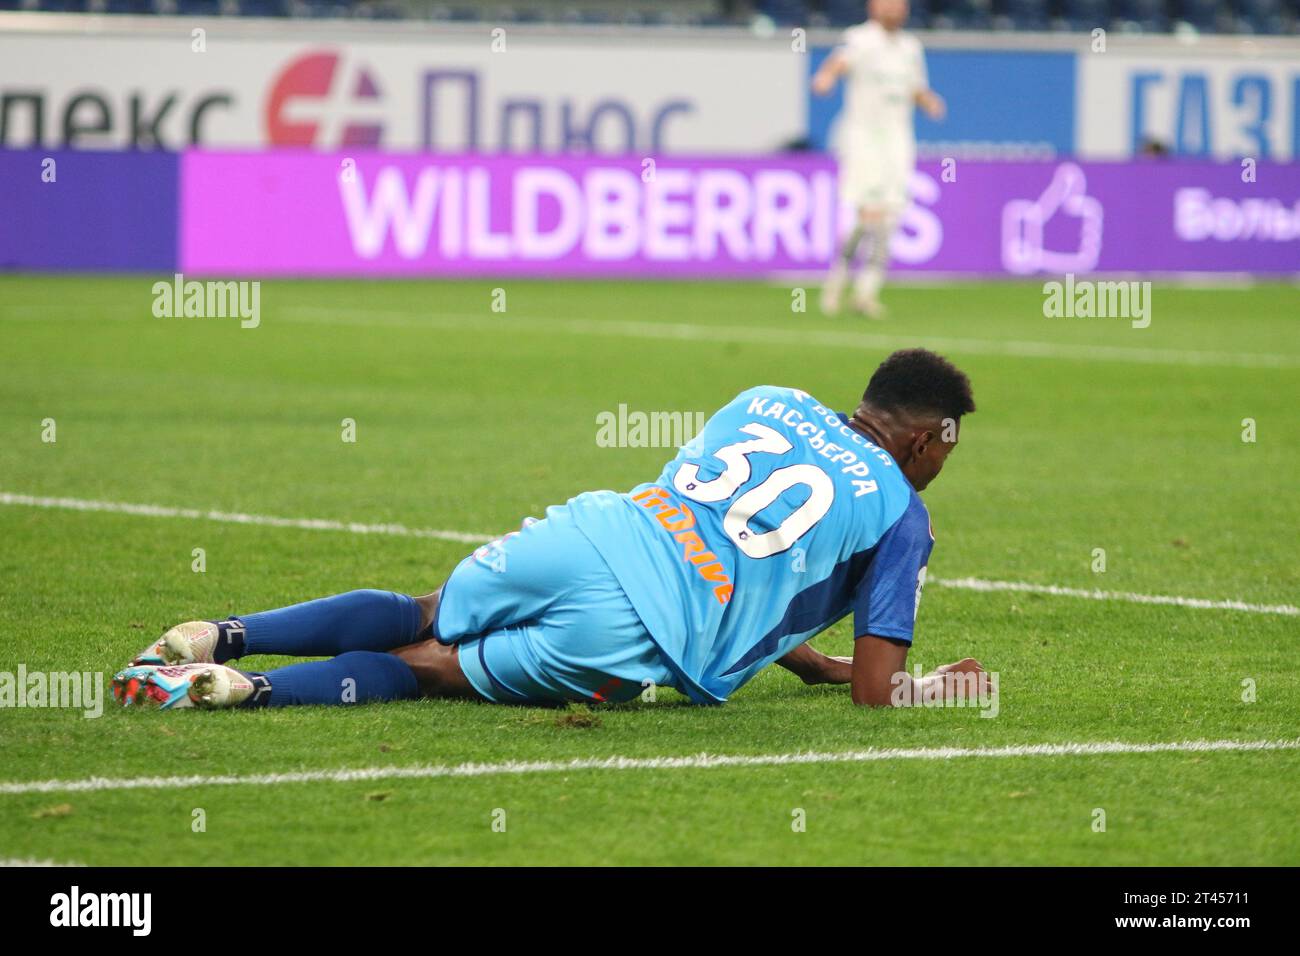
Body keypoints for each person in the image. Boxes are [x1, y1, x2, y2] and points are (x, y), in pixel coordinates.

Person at [113, 349, 983, 712]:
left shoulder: (770, 400)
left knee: (426, 608)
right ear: (920, 440)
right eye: (947, 449)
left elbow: (736, 535)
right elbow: (876, 686)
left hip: (597, 527)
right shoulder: (903, 511)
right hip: (643, 624)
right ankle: (239, 691)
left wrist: (810, 663)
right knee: (431, 671)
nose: (942, 464)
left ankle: (217, 632)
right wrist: (931, 687)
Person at [812, 0, 945, 318]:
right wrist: (826, 78)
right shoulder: (860, 39)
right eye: (889, 3)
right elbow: (838, 63)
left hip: (897, 142)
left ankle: (866, 294)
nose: (895, 9)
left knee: (890, 219)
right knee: (864, 218)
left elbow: (914, 87)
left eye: (900, 5)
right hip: (864, 141)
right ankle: (835, 284)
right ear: (874, 7)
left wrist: (928, 101)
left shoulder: (911, 47)